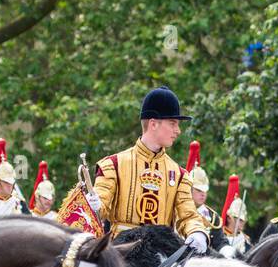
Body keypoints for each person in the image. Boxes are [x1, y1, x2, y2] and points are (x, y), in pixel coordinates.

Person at [82, 86, 210, 252]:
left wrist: (197, 231)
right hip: (121, 255)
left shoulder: (180, 175)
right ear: (153, 124)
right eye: (173, 123)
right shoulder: (112, 165)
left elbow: (188, 216)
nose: (178, 130)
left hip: (161, 258)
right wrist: (94, 205)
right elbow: (99, 210)